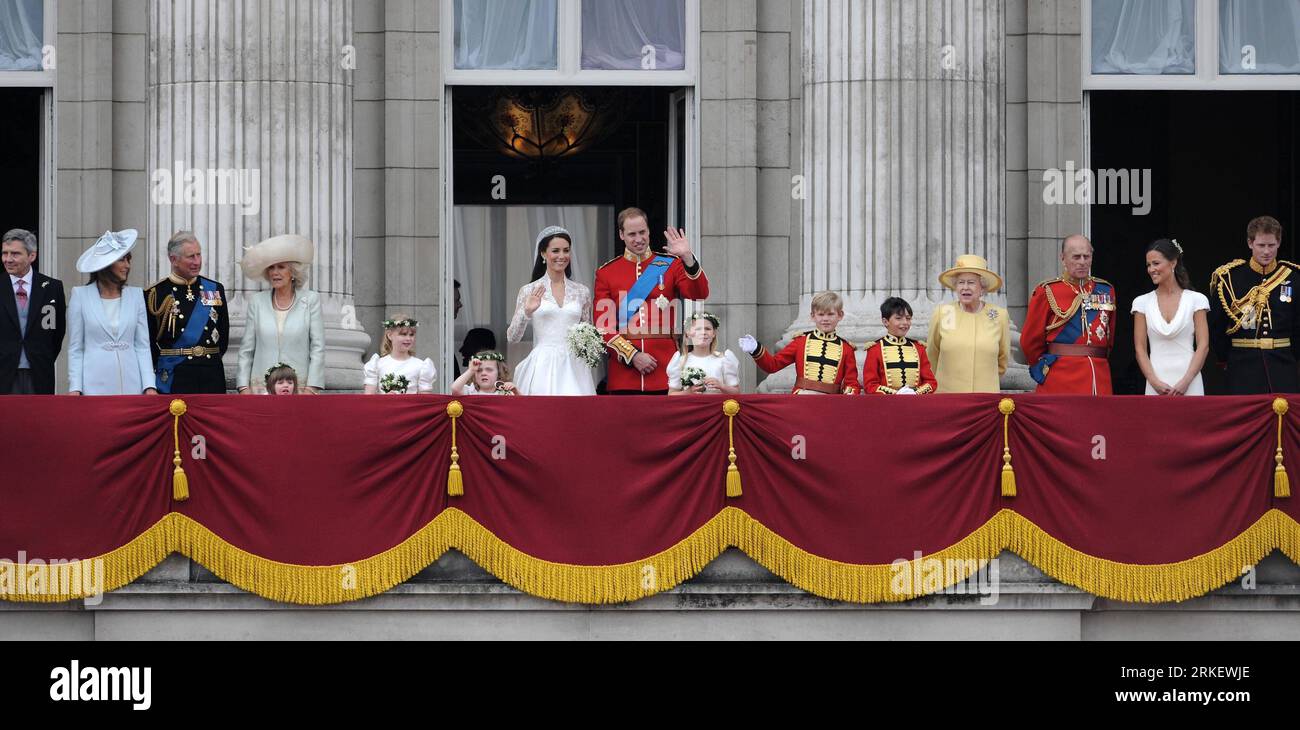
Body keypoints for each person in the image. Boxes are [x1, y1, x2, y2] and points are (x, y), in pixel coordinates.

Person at [594, 208, 710, 394]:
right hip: (624, 375)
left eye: (642, 232)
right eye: (632, 234)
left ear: (648, 231)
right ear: (621, 235)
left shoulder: (671, 264)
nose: (638, 239)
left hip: (665, 370)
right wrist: (632, 356)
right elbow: (603, 326)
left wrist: (687, 257)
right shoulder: (607, 272)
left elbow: (700, 293)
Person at [1209, 216, 1299, 394]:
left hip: (1282, 368)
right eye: (1261, 245)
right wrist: (1226, 358)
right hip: (1242, 368)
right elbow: (1217, 326)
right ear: (1250, 243)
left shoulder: (1293, 278)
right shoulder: (1229, 278)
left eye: (1271, 245)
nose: (1266, 251)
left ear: (1279, 243)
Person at [506, 226, 597, 395]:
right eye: (555, 251)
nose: (561, 256)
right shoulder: (529, 290)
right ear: (543, 254)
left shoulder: (581, 291)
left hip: (574, 366)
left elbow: (587, 333)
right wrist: (526, 312)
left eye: (566, 250)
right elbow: (512, 337)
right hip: (542, 364)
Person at [1021, 234, 1117, 395]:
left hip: (1097, 374)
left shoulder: (1105, 290)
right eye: (1076, 257)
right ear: (1063, 258)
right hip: (1060, 376)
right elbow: (1029, 341)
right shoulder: (1047, 291)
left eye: (1086, 257)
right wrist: (1046, 366)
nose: (1082, 262)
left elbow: (1110, 337)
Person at [67, 230, 156, 396]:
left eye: (128, 259)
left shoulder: (136, 295)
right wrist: (75, 387)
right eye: (121, 260)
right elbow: (76, 348)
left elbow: (142, 346)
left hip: (132, 385)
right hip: (94, 386)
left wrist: (149, 385)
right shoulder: (80, 296)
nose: (127, 265)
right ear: (106, 264)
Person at [236, 234, 325, 394]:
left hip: (299, 389)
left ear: (293, 271)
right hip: (261, 389)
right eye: (271, 267)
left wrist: (311, 388)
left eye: (281, 267)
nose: (275, 272)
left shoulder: (311, 300)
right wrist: (243, 387)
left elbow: (317, 347)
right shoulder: (257, 302)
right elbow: (246, 349)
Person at [145, 231, 229, 394]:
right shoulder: (155, 293)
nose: (197, 261)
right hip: (176, 376)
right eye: (191, 256)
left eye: (199, 255)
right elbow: (149, 341)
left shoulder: (215, 288)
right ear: (173, 259)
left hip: (211, 374)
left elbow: (223, 335)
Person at [739, 291, 860, 395]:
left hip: (831, 404)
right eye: (821, 314)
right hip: (801, 400)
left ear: (840, 315)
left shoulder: (846, 348)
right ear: (813, 316)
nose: (825, 319)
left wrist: (849, 395)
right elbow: (773, 365)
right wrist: (756, 350)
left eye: (830, 314)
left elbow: (852, 383)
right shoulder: (801, 342)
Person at [1133, 239, 1210, 396]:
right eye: (1148, 265)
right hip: (1155, 384)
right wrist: (1154, 382)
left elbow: (1203, 345)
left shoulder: (1197, 300)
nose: (1151, 269)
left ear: (1173, 263)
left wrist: (1186, 381)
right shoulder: (1141, 302)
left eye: (1156, 263)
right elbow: (1140, 349)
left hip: (1190, 383)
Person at [928, 254, 1010, 393]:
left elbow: (1003, 359)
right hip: (948, 396)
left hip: (985, 397)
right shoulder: (943, 313)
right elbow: (932, 354)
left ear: (982, 288)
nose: (965, 287)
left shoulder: (999, 315)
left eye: (971, 282)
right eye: (961, 282)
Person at [1, 228, 65, 394]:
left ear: (32, 256)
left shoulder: (52, 288)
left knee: (39, 419)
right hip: (4, 373)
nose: (8, 259)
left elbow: (57, 333)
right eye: (4, 253)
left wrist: (42, 356)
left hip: (40, 372)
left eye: (15, 254)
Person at [863, 297, 937, 395]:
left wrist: (915, 392)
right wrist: (895, 394)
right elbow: (870, 385)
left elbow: (931, 382)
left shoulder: (919, 348)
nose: (905, 323)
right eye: (898, 318)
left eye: (908, 318)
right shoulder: (875, 349)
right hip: (887, 405)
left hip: (915, 403)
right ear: (885, 322)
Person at [667, 311, 740, 395]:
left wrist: (721, 386)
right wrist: (688, 392)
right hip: (691, 407)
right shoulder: (681, 360)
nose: (703, 332)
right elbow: (671, 394)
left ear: (714, 333)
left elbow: (736, 392)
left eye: (708, 329)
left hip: (717, 407)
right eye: (698, 329)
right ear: (689, 333)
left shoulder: (723, 359)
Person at [363, 315, 437, 394]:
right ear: (390, 335)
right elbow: (369, 398)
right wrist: (384, 399)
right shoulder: (377, 365)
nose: (408, 338)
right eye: (403, 334)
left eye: (411, 335)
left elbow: (424, 400)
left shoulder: (421, 366)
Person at [451, 352, 518, 396]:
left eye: (489, 370)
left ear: (499, 373)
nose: (483, 373)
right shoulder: (470, 391)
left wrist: (516, 391)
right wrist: (471, 370)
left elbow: (521, 407)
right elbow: (455, 389)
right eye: (479, 370)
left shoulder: (505, 394)